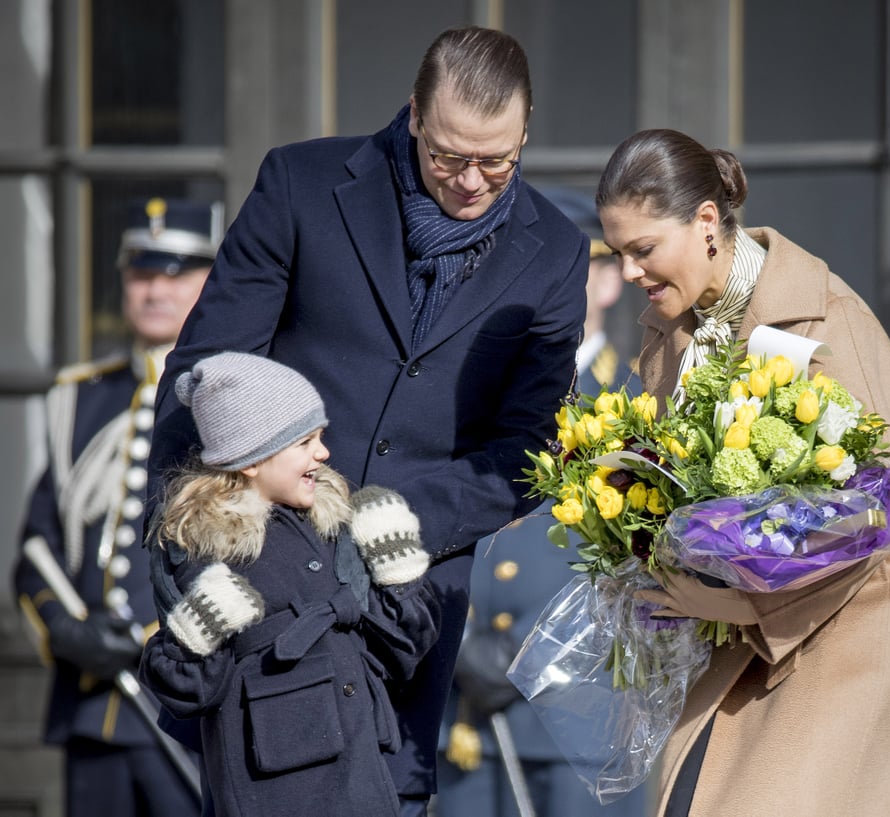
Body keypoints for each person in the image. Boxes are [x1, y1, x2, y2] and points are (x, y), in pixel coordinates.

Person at [145, 26, 589, 816]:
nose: (472, 181)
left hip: (402, 597)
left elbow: (531, 448)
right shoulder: (303, 184)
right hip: (264, 581)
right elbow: (204, 375)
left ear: (525, 133)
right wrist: (186, 547)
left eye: (496, 161)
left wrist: (392, 524)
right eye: (448, 156)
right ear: (414, 113)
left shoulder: (554, 250)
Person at [593, 129, 890, 817]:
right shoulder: (674, 328)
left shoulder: (828, 318)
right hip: (738, 617)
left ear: (706, 222)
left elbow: (874, 509)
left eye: (643, 249)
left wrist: (731, 601)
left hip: (857, 613)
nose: (630, 270)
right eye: (618, 253)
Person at [139, 352, 440, 817]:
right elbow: (189, 692)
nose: (323, 453)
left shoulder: (331, 526)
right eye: (304, 442)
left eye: (320, 437)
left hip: (362, 779)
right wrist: (192, 637)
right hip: (274, 790)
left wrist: (398, 579)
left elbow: (400, 654)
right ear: (251, 459)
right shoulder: (203, 543)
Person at [435, 187, 649, 817]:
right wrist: (454, 633)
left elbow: (646, 557)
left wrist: (524, 647)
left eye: (566, 271)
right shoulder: (465, 392)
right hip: (465, 706)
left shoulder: (642, 403)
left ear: (607, 281)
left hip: (580, 716)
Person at [11, 197, 221, 817]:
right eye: (141, 274)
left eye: (175, 274)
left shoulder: (227, 394)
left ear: (209, 281)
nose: (155, 290)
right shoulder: (82, 398)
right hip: (92, 707)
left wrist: (153, 635)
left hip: (183, 704)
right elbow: (38, 545)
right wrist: (67, 630)